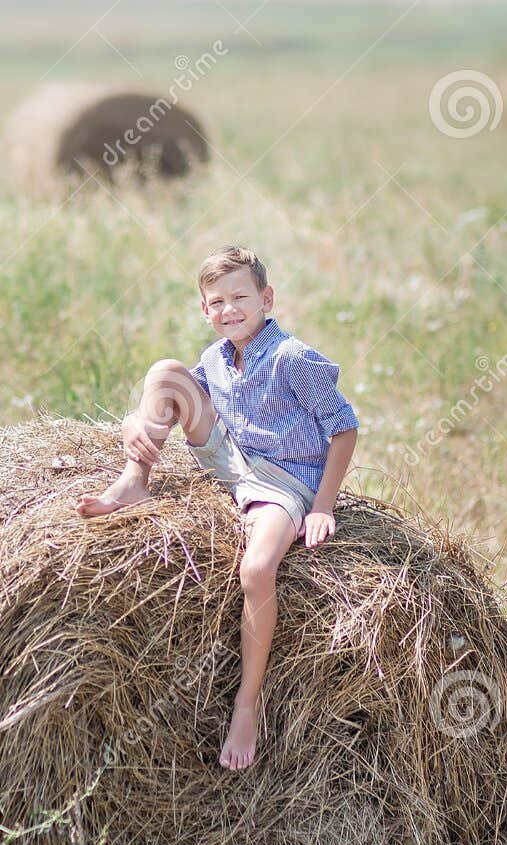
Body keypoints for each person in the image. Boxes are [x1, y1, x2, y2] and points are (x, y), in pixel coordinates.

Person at [76, 244, 360, 770]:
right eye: (216, 302)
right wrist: (135, 424)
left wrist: (323, 506)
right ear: (204, 310)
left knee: (255, 569)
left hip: (283, 481)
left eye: (239, 297)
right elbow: (179, 398)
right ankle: (133, 482)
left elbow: (344, 428)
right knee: (164, 372)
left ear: (266, 298)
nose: (229, 310)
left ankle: (246, 704)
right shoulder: (214, 357)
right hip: (231, 459)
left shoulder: (293, 358)